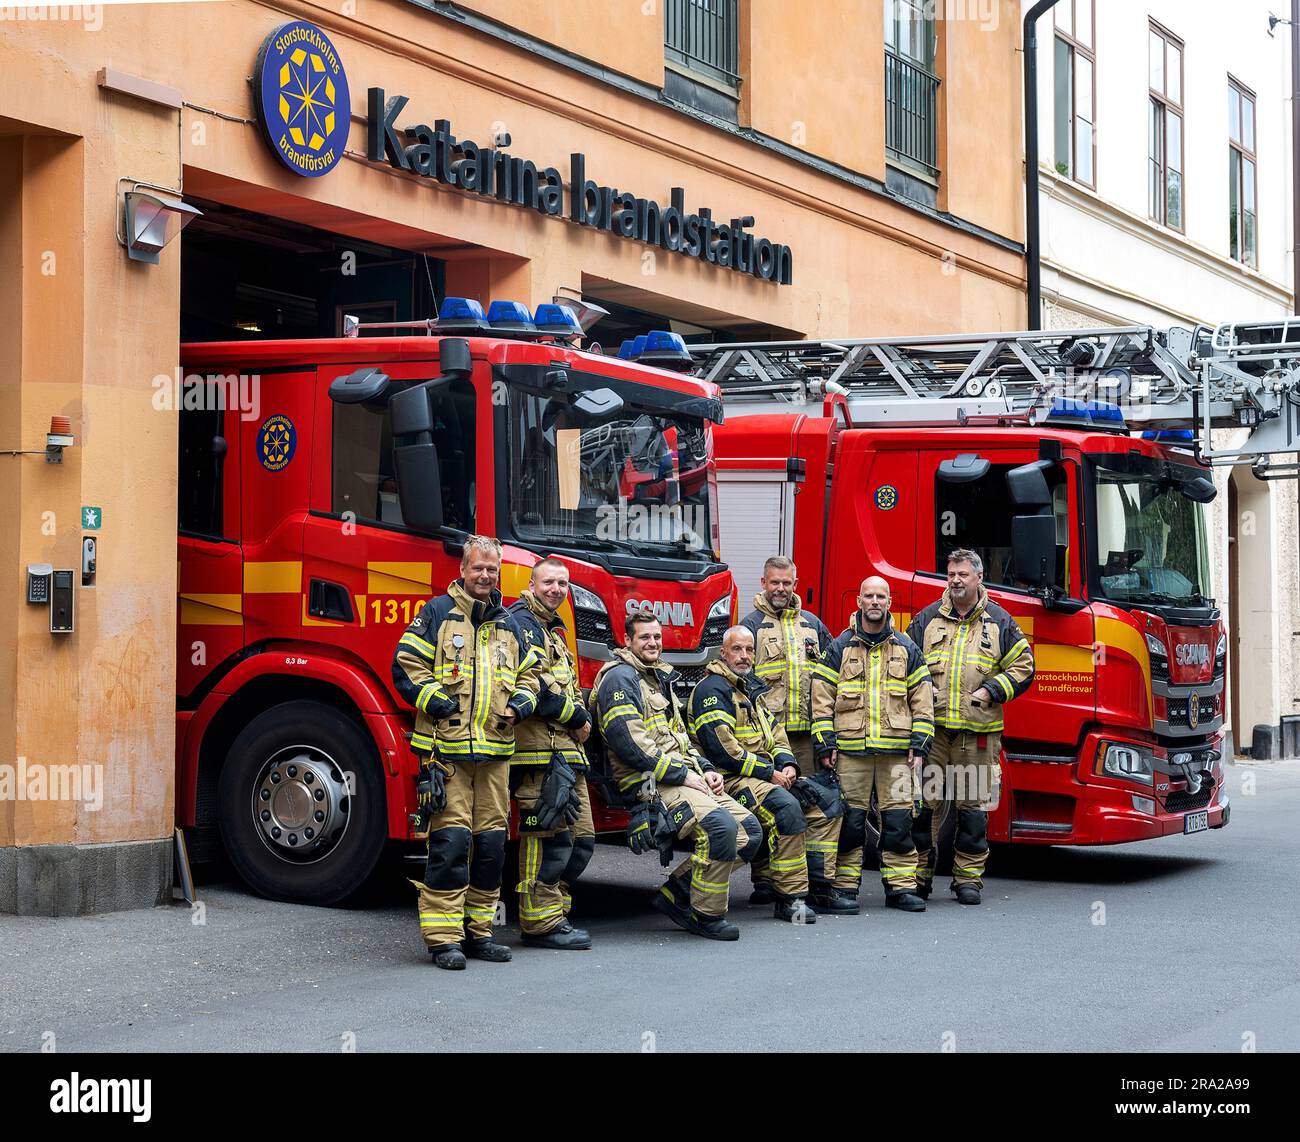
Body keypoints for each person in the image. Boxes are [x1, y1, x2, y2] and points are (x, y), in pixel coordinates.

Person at [392, 536, 542, 970]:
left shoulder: (509, 623)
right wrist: (434, 697)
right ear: (462, 570)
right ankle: (443, 939)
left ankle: (479, 933)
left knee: (492, 846)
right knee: (451, 843)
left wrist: (522, 703)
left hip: (496, 755)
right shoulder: (437, 613)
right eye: (478, 568)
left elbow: (533, 675)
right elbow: (405, 663)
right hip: (446, 755)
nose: (485, 576)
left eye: (492, 570)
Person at [591, 610, 763, 941]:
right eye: (644, 637)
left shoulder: (657, 678)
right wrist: (684, 775)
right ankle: (705, 915)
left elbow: (679, 738)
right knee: (721, 829)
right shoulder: (620, 679)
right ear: (627, 641)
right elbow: (631, 746)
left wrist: (707, 770)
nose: (653, 642)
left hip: (681, 776)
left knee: (750, 833)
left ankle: (677, 893)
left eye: (656, 637)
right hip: (648, 783)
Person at [907, 549, 1035, 905]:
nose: (956, 580)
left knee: (973, 811)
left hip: (977, 736)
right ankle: (918, 878)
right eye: (951, 574)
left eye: (963, 574)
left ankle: (968, 880)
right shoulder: (928, 618)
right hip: (933, 735)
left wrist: (990, 690)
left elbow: (1024, 667)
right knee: (922, 807)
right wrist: (921, 688)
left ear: (979, 577)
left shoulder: (1000, 621)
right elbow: (902, 660)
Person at [811, 576, 934, 912]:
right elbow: (821, 699)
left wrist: (920, 744)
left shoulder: (908, 649)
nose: (875, 601)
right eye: (869, 596)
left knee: (898, 823)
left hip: (897, 755)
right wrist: (826, 744)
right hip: (852, 754)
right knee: (850, 824)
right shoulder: (839, 647)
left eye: (881, 596)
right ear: (859, 601)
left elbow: (922, 701)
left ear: (890, 602)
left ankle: (901, 888)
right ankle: (845, 888)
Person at [688, 626, 817, 924]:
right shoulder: (713, 690)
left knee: (824, 802)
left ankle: (819, 890)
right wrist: (769, 772)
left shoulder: (748, 688)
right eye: (737, 649)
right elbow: (723, 752)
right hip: (725, 779)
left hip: (759, 775)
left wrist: (788, 765)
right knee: (786, 809)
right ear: (723, 653)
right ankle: (790, 900)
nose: (744, 656)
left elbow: (777, 734)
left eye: (749, 650)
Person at [740, 556, 847, 912]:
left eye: (787, 583)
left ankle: (806, 879)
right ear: (763, 582)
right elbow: (742, 682)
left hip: (806, 737)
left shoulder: (812, 625)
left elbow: (832, 674)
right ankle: (765, 880)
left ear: (795, 584)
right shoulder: (750, 626)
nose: (781, 589)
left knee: (808, 805)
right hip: (767, 738)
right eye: (775, 583)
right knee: (768, 807)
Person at [508, 558, 595, 950]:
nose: (556, 589)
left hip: (566, 753)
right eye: (549, 581)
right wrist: (576, 715)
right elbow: (532, 691)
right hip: (536, 754)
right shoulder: (521, 623)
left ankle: (554, 912)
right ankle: (538, 921)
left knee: (582, 839)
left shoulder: (553, 631)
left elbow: (565, 687)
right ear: (532, 583)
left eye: (563, 583)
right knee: (546, 837)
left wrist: (581, 718)